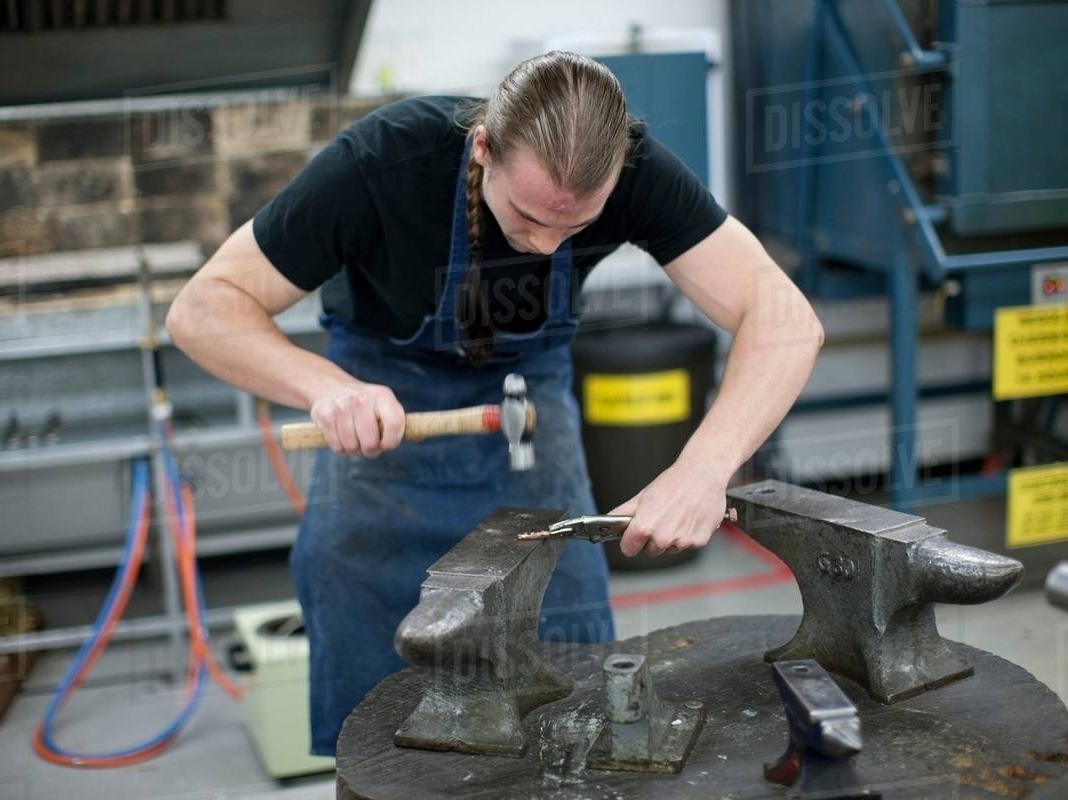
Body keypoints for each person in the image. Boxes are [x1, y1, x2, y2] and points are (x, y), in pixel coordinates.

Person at [166, 51, 824, 757]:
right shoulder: (384, 161)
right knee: (370, 656)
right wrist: (323, 386)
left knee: (570, 669)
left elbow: (785, 321)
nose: (546, 245)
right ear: (482, 148)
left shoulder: (636, 171)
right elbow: (203, 310)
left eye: (573, 229)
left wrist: (704, 468)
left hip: (528, 403)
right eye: (529, 216)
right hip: (379, 403)